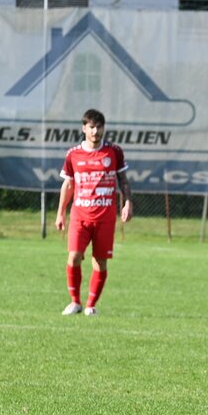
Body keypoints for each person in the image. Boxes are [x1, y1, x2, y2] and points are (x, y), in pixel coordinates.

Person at [56, 108, 132, 315]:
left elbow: (123, 180)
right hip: (79, 216)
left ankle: (91, 305)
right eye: (91, 127)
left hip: (105, 217)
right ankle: (75, 302)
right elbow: (68, 185)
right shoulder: (73, 154)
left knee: (100, 261)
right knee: (74, 256)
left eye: (99, 127)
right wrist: (61, 212)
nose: (95, 131)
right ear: (84, 128)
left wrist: (127, 203)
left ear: (103, 128)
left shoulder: (114, 152)